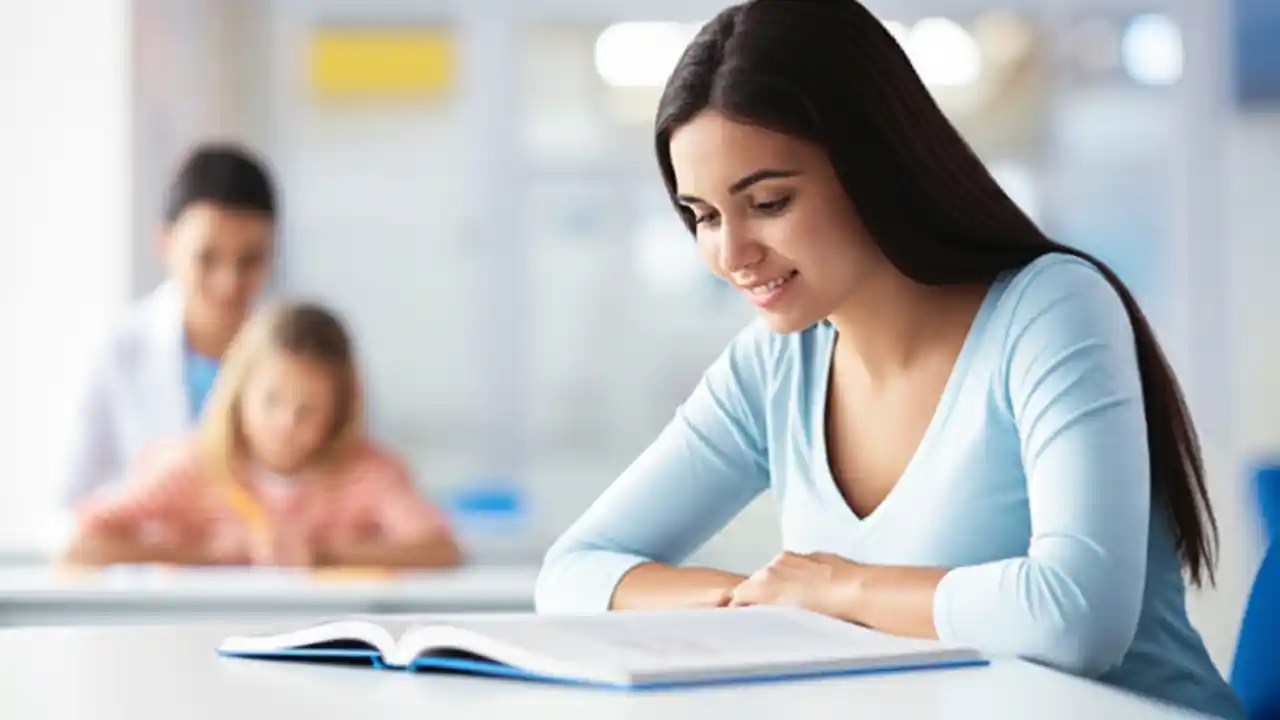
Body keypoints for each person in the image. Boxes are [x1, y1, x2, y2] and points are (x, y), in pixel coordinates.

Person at [535, 2, 1243, 717]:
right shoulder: (775, 366)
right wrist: (754, 605)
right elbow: (573, 572)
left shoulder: (1051, 309)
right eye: (704, 216)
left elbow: (1075, 620)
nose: (729, 254)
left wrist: (837, 589)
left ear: (876, 166)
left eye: (770, 201)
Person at [63, 302, 460, 568]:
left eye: (308, 410)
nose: (286, 423)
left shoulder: (365, 474)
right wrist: (208, 555)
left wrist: (321, 555)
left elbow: (442, 551)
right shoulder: (195, 469)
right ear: (240, 394)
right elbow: (81, 544)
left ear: (338, 412)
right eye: (271, 401)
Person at [63, 142, 277, 505]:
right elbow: (68, 510)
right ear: (165, 243)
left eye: (250, 260)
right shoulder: (121, 349)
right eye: (206, 258)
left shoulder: (296, 351)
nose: (229, 283)